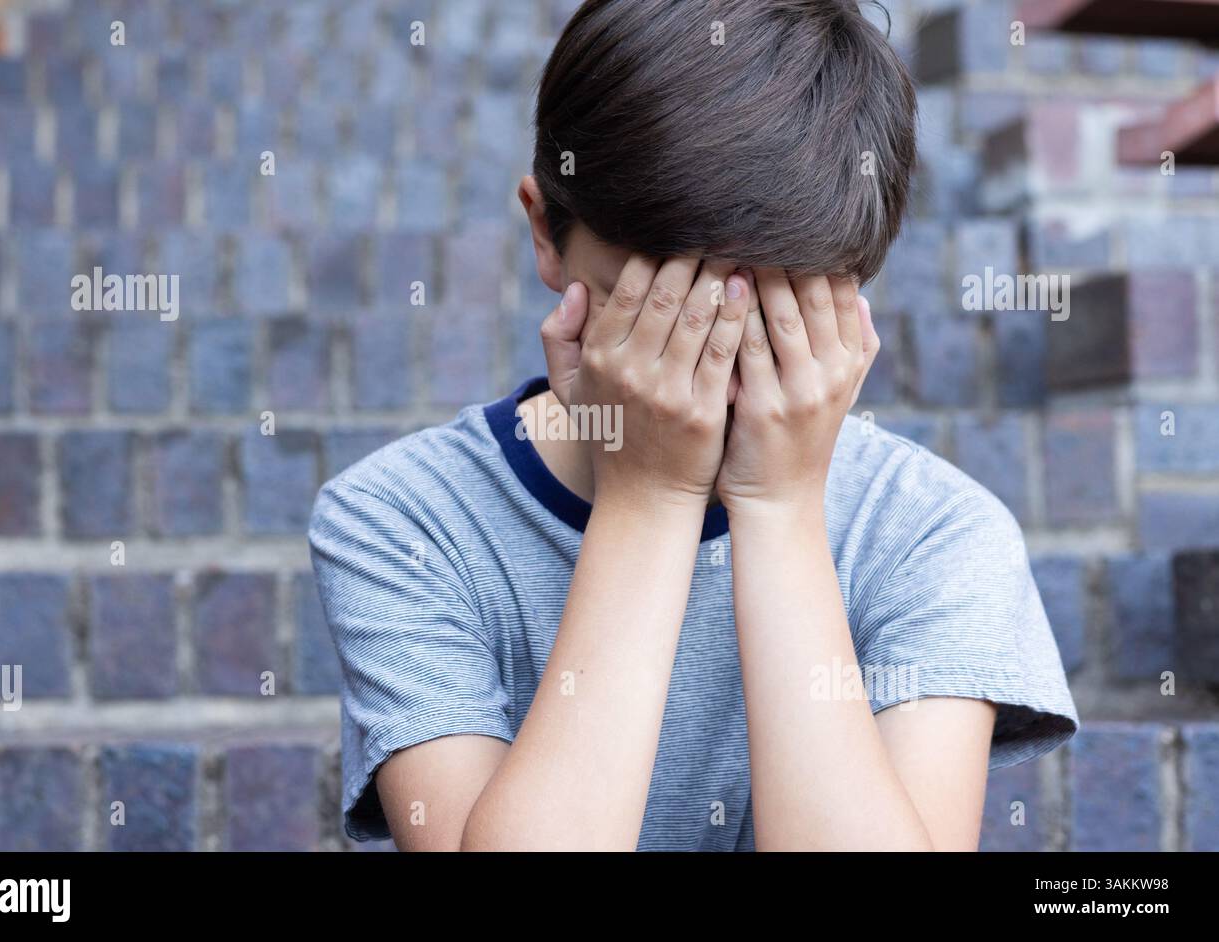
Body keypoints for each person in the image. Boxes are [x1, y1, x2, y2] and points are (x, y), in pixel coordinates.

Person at [308, 0, 1077, 851]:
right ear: (545, 235)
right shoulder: (401, 521)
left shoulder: (936, 534)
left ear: (852, 296)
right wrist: (649, 498)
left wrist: (780, 509)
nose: (700, 373)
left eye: (765, 322)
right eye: (657, 314)